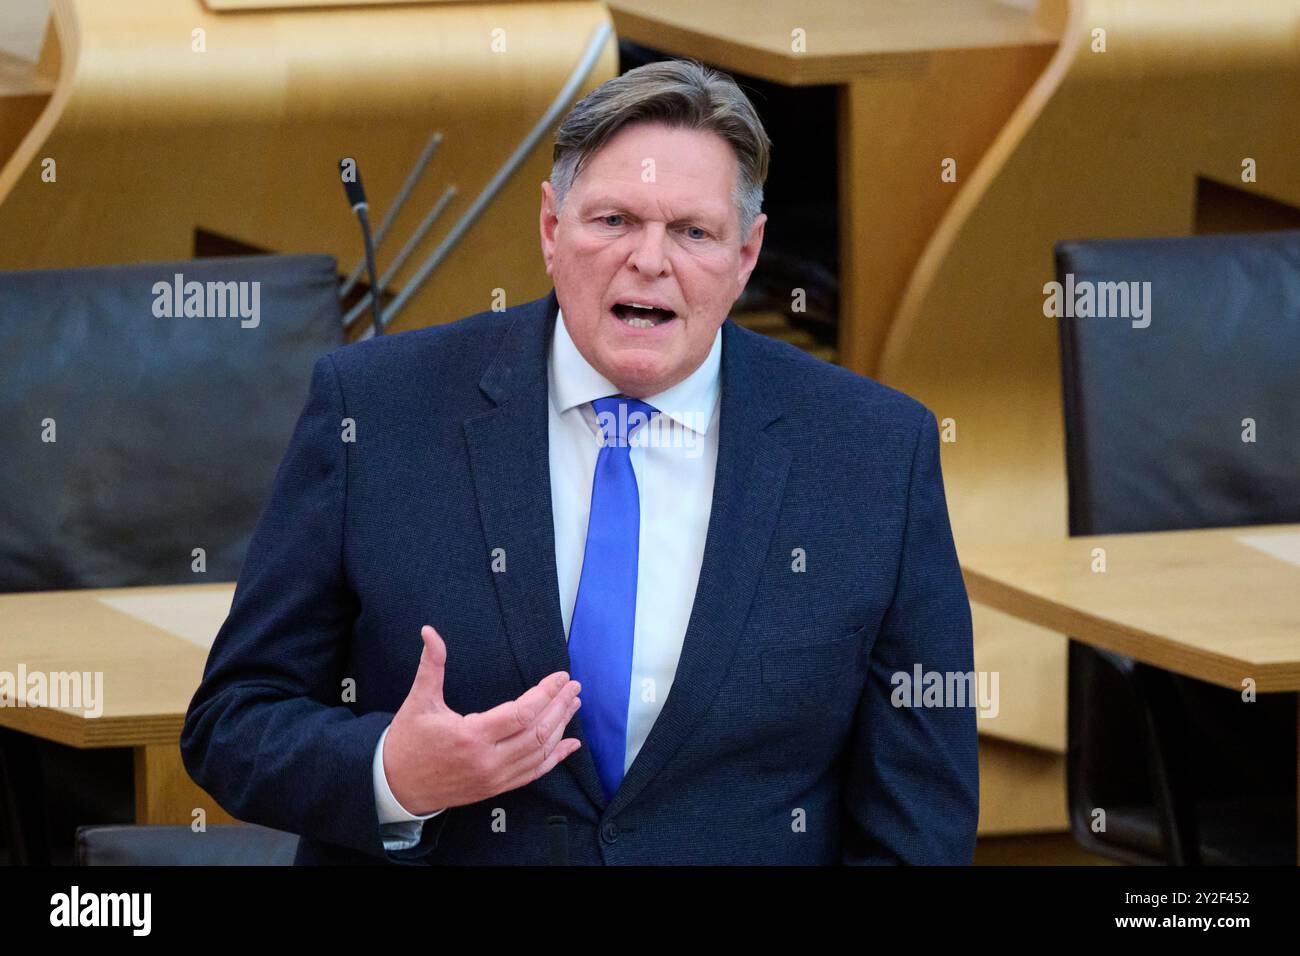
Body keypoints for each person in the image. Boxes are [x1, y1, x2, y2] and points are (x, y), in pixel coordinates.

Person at [181, 58, 979, 865]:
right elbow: (234, 721)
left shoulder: (873, 453)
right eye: (614, 221)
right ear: (552, 230)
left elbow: (921, 827)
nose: (649, 261)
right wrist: (395, 773)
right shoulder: (376, 412)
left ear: (746, 256)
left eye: (693, 232)